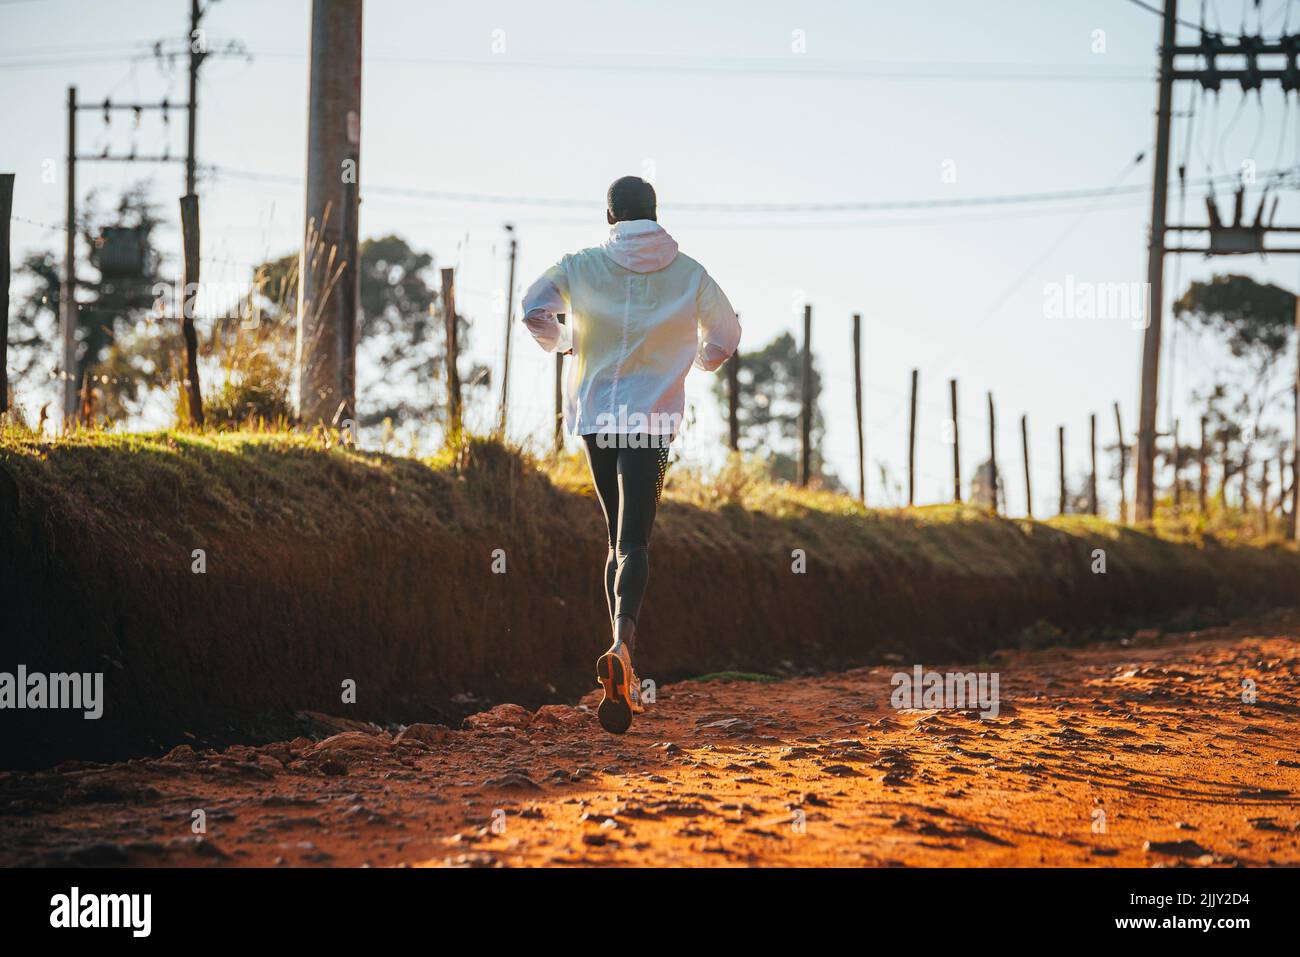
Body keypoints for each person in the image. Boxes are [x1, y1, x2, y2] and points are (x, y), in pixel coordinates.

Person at [521, 175, 741, 733]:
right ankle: (623, 647)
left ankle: (619, 654)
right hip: (651, 424)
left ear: (610, 216)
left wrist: (566, 343)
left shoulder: (581, 264)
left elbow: (532, 309)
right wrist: (695, 362)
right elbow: (727, 335)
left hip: (597, 418)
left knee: (613, 538)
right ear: (657, 213)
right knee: (636, 540)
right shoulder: (690, 272)